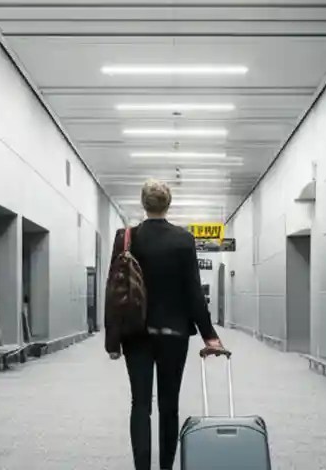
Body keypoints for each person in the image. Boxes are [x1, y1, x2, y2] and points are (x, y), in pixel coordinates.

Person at [105, 179, 225, 470]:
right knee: (169, 405)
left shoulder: (126, 237)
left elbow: (114, 291)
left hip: (136, 333)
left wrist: (113, 341)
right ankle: (166, 468)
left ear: (144, 204)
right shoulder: (183, 239)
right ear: (167, 204)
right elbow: (194, 292)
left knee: (140, 404)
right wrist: (209, 335)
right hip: (174, 334)